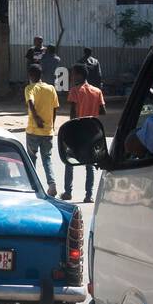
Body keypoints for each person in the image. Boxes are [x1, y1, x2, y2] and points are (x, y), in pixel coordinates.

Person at [64, 64, 105, 202]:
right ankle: (89, 195)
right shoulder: (97, 91)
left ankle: (68, 192)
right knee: (90, 165)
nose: (73, 76)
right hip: (92, 132)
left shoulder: (75, 91)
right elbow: (102, 111)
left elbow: (72, 112)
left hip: (77, 131)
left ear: (80, 75)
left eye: (74, 74)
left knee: (69, 161)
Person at [24, 63, 59, 196]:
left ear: (31, 75)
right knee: (47, 159)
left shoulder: (29, 88)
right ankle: (52, 184)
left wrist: (37, 118)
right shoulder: (51, 88)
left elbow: (30, 102)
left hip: (33, 131)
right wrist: (52, 125)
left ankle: (32, 185)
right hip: (48, 131)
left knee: (32, 159)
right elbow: (55, 108)